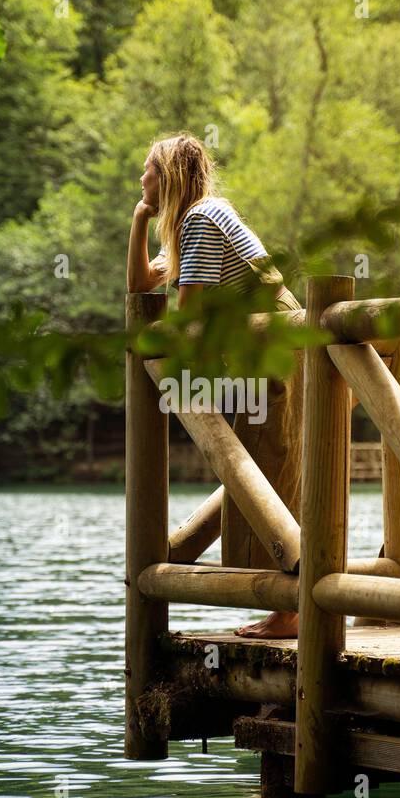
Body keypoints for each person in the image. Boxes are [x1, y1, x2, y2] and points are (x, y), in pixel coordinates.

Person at [126, 131, 302, 638]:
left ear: (171, 178)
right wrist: (141, 220)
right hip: (261, 349)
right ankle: (285, 607)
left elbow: (190, 313)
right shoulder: (192, 223)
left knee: (272, 466)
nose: (141, 180)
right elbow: (141, 287)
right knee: (268, 466)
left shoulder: (202, 220)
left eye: (149, 172)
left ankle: (289, 612)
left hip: (277, 346)